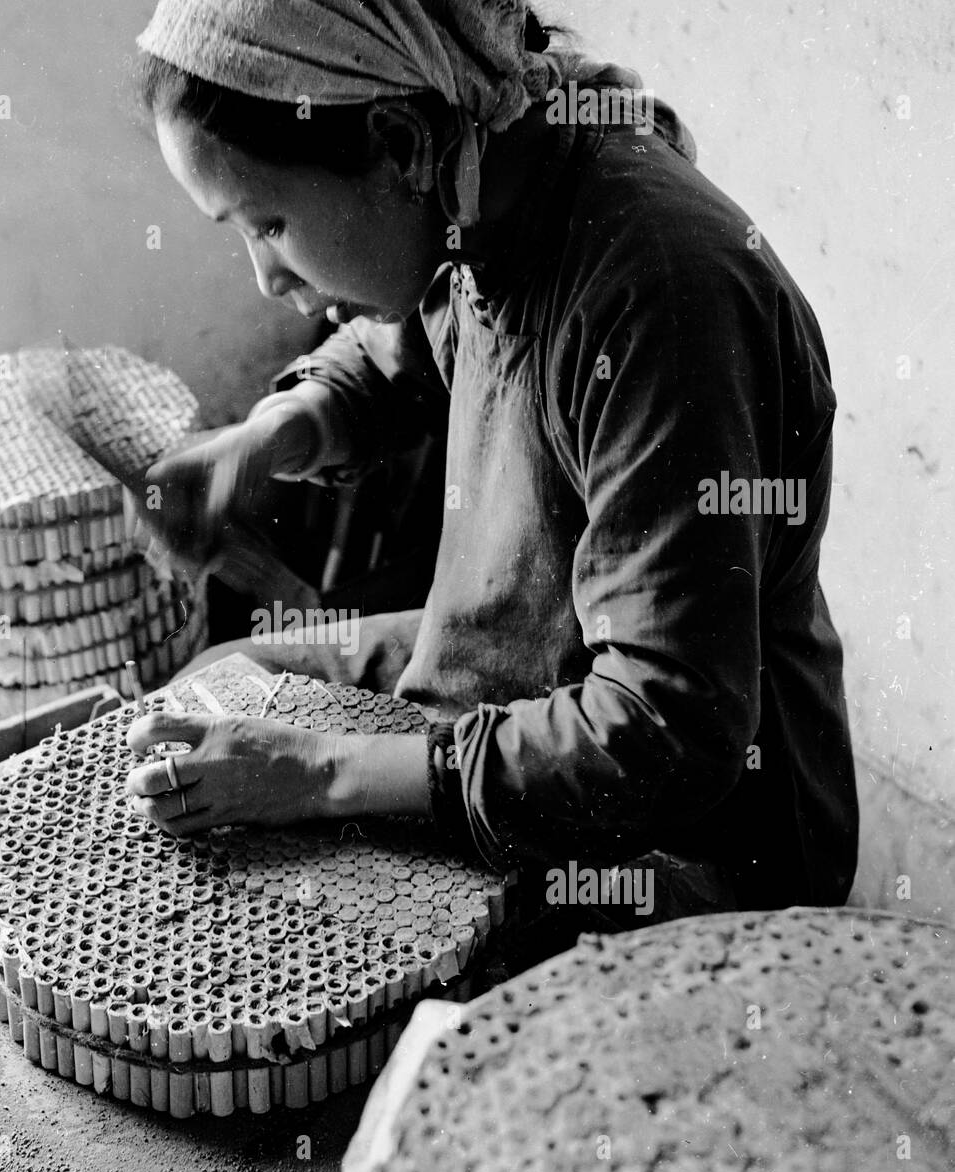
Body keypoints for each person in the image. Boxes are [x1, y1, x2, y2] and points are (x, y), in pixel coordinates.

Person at [123, 0, 858, 931]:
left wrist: (313, 770)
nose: (264, 279)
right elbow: (410, 339)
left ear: (398, 143)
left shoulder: (663, 299)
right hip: (516, 653)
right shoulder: (479, 176)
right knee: (222, 678)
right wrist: (279, 432)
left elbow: (664, 733)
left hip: (685, 836)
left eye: (267, 223)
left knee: (346, 930)